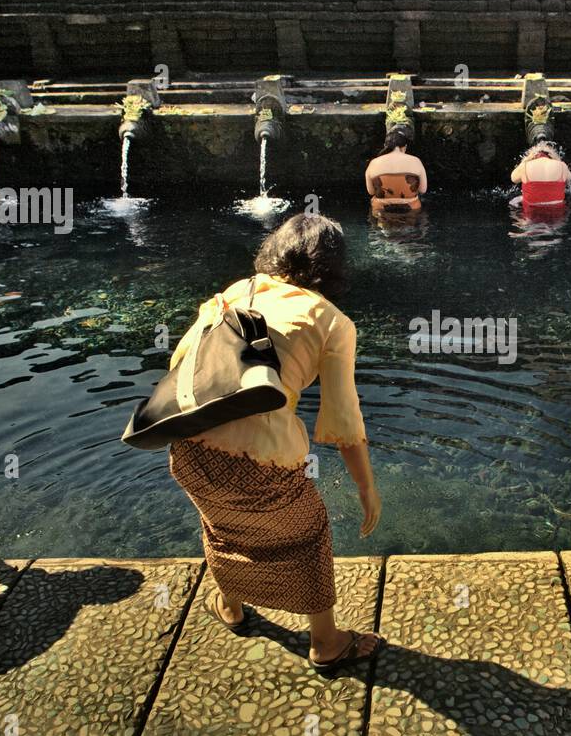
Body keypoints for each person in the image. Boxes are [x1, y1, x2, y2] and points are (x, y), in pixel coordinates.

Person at [167, 213, 385, 675]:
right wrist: (366, 487)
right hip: (259, 461)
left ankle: (230, 606)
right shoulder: (331, 321)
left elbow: (181, 361)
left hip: (185, 444)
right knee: (307, 532)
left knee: (224, 526)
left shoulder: (234, 292)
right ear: (333, 267)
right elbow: (344, 421)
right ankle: (326, 642)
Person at [365, 128, 427, 213]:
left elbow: (371, 192)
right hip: (411, 209)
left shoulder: (374, 163)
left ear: (385, 146)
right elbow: (423, 190)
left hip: (382, 209)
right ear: (404, 147)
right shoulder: (416, 161)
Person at [510, 140, 571, 214]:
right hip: (556, 214)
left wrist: (526, 159)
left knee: (513, 202)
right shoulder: (562, 166)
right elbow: (569, 178)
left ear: (534, 156)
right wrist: (558, 159)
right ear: (551, 156)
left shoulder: (525, 166)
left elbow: (513, 179)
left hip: (531, 214)